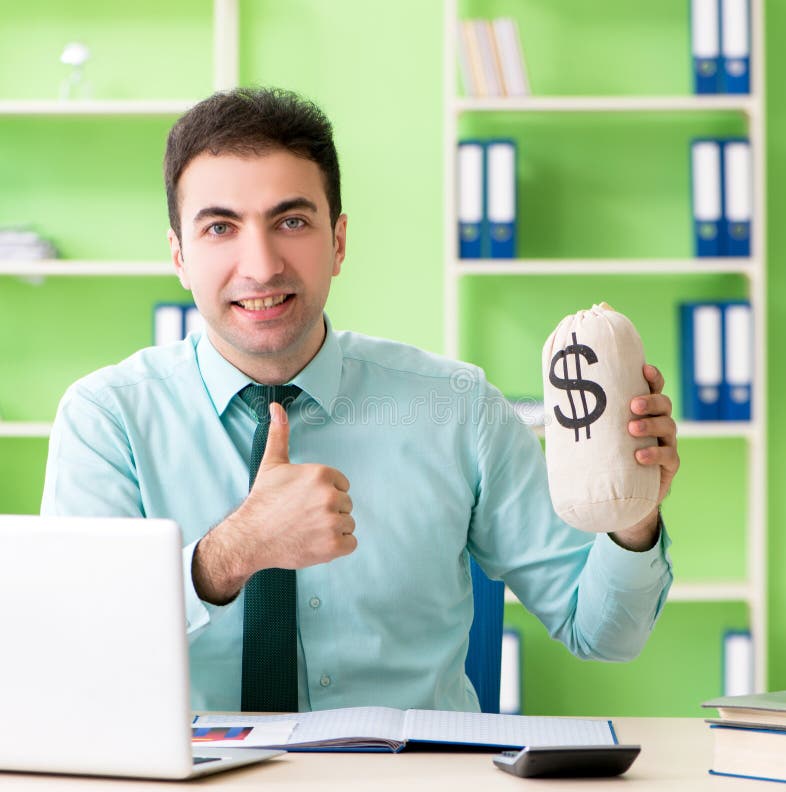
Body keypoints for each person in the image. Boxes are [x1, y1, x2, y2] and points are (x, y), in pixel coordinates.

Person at [41, 87, 678, 713]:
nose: (260, 266)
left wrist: (632, 514)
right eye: (219, 228)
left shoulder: (459, 409)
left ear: (338, 241)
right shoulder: (107, 418)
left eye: (291, 222)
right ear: (179, 256)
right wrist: (233, 553)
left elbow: (603, 633)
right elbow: (74, 650)